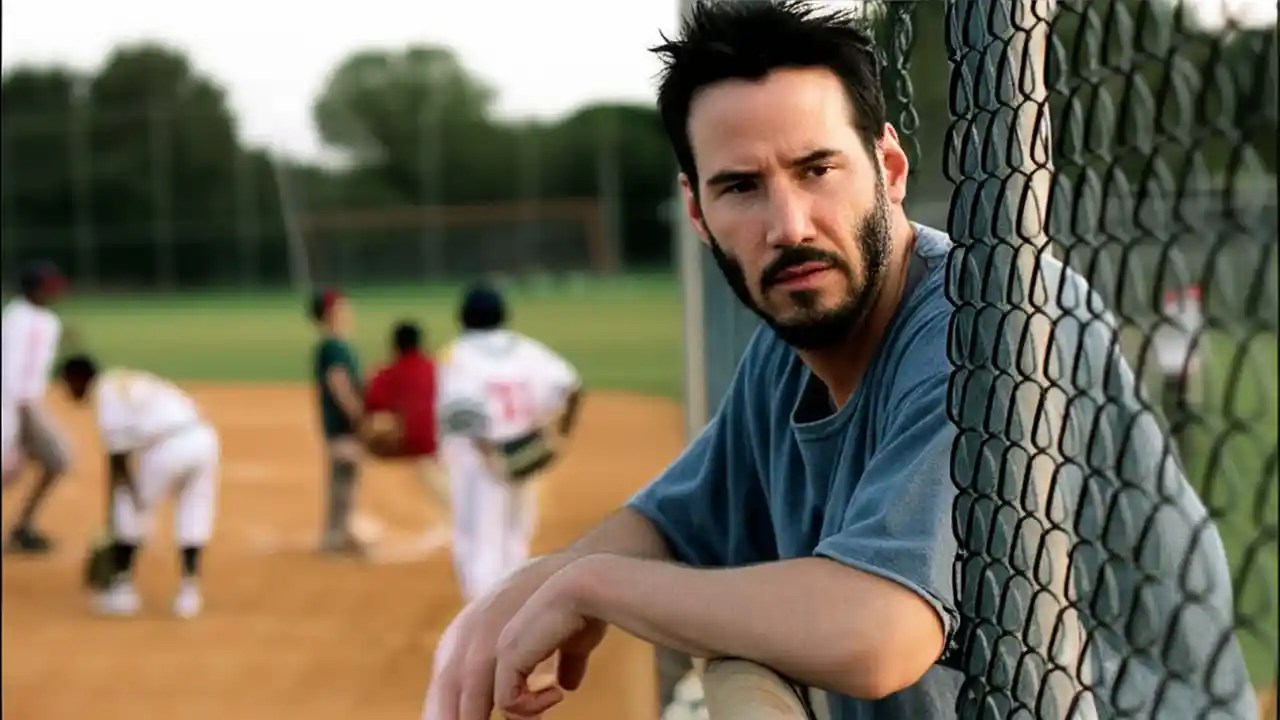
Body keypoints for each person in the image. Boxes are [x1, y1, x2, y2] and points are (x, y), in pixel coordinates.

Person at [421, 3, 1252, 720]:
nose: (788, 224)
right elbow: (674, 525)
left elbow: (878, 633)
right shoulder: (787, 356)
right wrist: (527, 586)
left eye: (817, 170)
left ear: (888, 170)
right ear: (698, 212)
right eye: (740, 187)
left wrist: (590, 586)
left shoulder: (998, 322)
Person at [435, 283, 584, 603]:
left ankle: (483, 619)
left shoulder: (458, 353)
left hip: (481, 461)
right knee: (515, 538)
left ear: (463, 318)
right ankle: (513, 611)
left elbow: (463, 413)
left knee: (478, 543)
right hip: (524, 453)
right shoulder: (527, 349)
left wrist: (491, 455)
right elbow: (571, 386)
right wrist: (561, 435)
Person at [57, 355, 220, 619]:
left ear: (79, 378)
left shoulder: (105, 395)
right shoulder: (126, 379)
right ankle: (189, 594)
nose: (67, 391)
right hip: (203, 439)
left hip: (166, 446)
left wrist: (124, 509)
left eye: (67, 384)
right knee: (194, 512)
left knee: (127, 509)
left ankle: (122, 592)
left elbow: (118, 460)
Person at [2, 260, 73, 553]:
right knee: (8, 469)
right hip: (11, 404)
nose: (53, 291)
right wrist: (15, 421)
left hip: (28, 404)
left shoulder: (44, 320)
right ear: (34, 287)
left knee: (57, 460)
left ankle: (23, 528)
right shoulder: (19, 318)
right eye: (48, 285)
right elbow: (12, 368)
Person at [363, 321, 449, 542]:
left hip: (404, 443)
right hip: (440, 440)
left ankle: (366, 511)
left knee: (368, 437)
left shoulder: (387, 373)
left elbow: (373, 403)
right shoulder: (435, 368)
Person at [309, 287, 365, 555]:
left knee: (348, 479)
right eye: (341, 307)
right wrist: (357, 414)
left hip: (343, 424)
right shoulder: (333, 346)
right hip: (342, 425)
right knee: (343, 480)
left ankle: (343, 530)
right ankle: (334, 537)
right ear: (331, 313)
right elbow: (339, 383)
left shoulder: (338, 344)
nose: (347, 310)